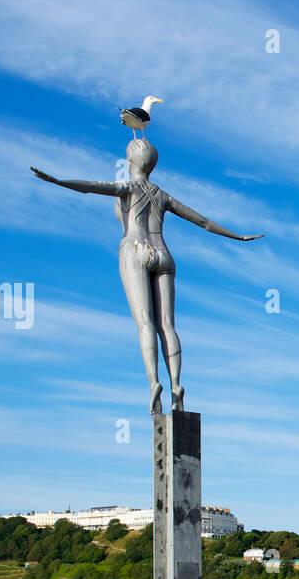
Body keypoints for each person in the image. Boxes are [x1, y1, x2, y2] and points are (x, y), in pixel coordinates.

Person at [31, 138, 262, 414]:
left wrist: (57, 181)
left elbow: (91, 188)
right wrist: (237, 236)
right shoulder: (164, 196)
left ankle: (154, 382)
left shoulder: (127, 188)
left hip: (135, 248)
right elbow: (204, 222)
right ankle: (176, 384)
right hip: (164, 253)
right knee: (167, 325)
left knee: (145, 325)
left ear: (130, 164)